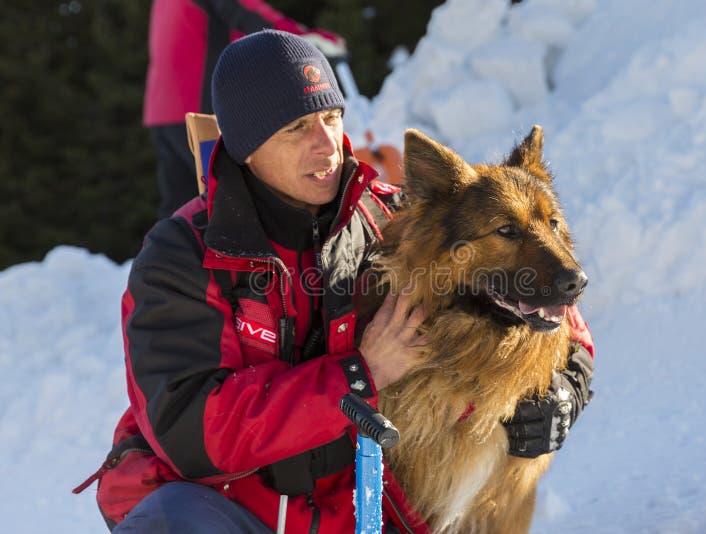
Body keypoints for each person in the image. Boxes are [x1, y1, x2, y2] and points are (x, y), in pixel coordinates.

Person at [75, 30, 594, 533]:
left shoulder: (391, 219)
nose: (327, 145)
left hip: (357, 509)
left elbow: (553, 308)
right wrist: (359, 374)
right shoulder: (182, 257)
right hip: (225, 509)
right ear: (246, 146)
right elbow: (194, 432)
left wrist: (566, 388)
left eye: (331, 116)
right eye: (296, 128)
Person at [144, 0, 347, 218]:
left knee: (179, 210)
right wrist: (301, 39)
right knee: (230, 203)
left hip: (163, 106)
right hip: (203, 109)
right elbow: (247, 12)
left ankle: (165, 252)